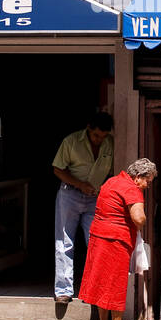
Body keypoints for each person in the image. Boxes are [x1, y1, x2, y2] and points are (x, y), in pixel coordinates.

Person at [79, 158, 157, 320]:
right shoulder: (132, 189)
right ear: (138, 177)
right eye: (148, 181)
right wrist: (147, 220)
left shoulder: (111, 181)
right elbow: (138, 218)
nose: (147, 185)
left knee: (102, 280)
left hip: (98, 236)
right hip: (116, 240)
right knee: (116, 283)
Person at [51, 112, 115, 305]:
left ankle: (94, 289)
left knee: (96, 242)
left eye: (103, 136)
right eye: (96, 135)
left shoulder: (110, 143)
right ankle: (63, 290)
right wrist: (79, 184)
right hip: (69, 194)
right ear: (88, 128)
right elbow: (57, 169)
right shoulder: (71, 141)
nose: (99, 140)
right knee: (65, 241)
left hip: (95, 197)